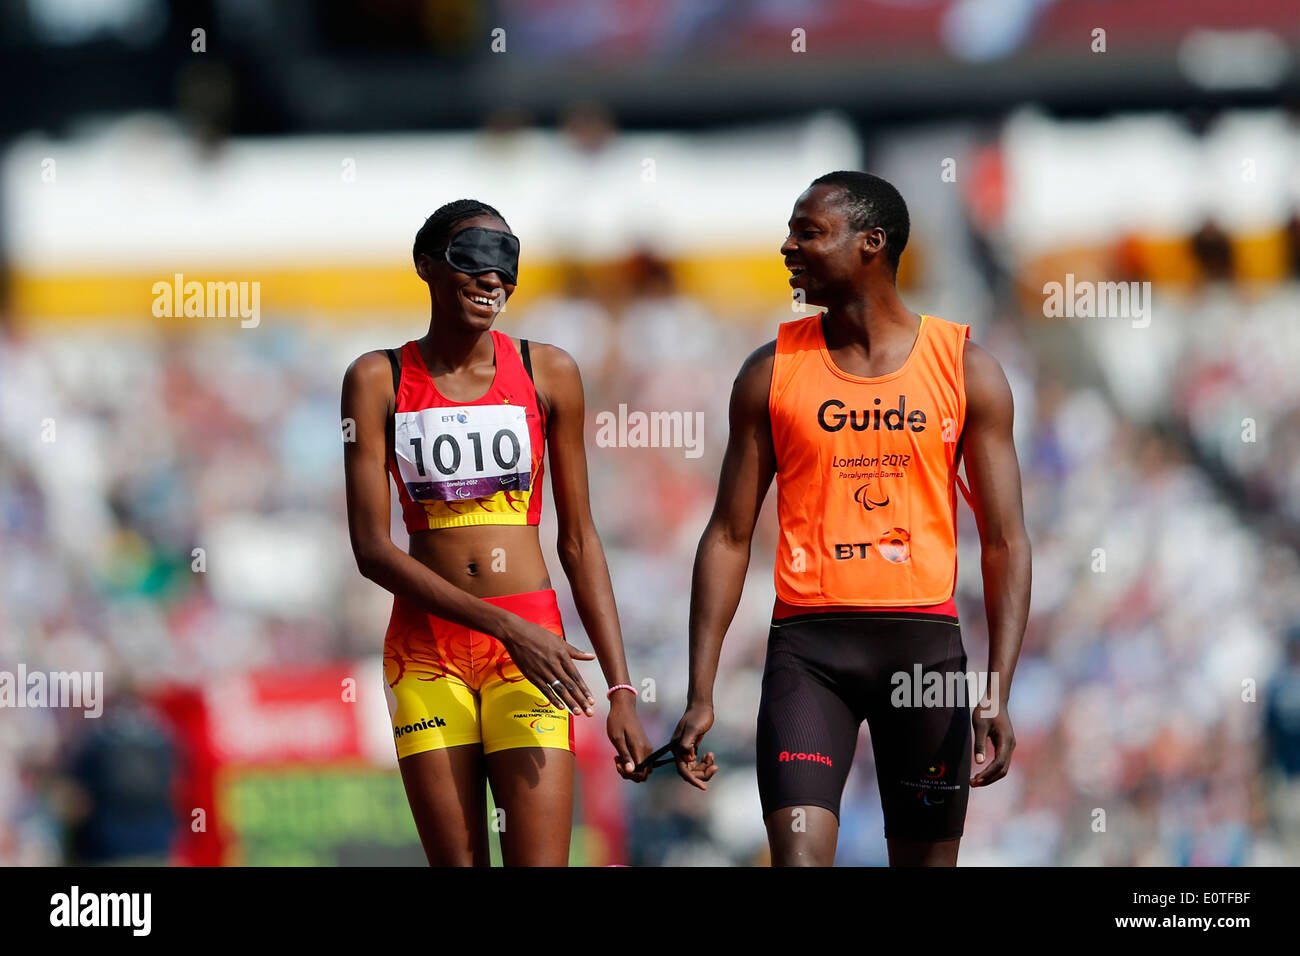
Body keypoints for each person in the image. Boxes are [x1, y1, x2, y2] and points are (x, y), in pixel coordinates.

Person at [670, 171, 1031, 866]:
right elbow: (727, 535)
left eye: (808, 232)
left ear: (872, 243)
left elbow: (1006, 541)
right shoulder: (768, 372)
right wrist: (700, 691)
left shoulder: (967, 370)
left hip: (927, 656)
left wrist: (998, 687)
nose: (787, 247)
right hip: (809, 656)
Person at [341, 199, 654, 866]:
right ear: (426, 265)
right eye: (473, 258)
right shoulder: (378, 379)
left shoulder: (550, 372)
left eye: (506, 264)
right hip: (429, 652)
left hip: (533, 651)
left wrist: (623, 690)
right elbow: (371, 550)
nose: (492, 279)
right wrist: (505, 627)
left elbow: (580, 541)